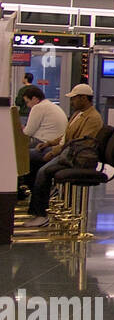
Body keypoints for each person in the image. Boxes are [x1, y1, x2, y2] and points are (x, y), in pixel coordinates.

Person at [19, 84, 103, 230]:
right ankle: (37, 197)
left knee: (43, 171)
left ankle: (40, 214)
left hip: (77, 158)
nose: (72, 102)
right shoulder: (78, 114)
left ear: (84, 98)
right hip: (68, 152)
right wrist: (48, 144)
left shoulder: (93, 118)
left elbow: (80, 142)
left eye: (74, 99)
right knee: (31, 161)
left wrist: (54, 151)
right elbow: (66, 136)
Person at [17, 85, 68, 182]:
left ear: (35, 99)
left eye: (27, 102)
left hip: (48, 145)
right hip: (56, 143)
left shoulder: (38, 107)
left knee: (19, 155)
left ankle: (23, 185)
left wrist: (21, 128)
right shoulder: (51, 106)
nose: (27, 105)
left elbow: (28, 132)